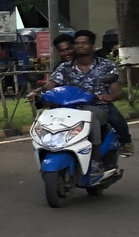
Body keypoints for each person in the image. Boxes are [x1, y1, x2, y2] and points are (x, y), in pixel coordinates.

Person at [40, 29, 130, 163]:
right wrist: (37, 93)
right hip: (69, 109)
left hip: (97, 107)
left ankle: (96, 160)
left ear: (93, 46)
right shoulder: (64, 67)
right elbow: (50, 85)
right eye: (77, 43)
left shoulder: (106, 65)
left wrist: (110, 96)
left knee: (90, 117)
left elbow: (116, 90)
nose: (80, 46)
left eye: (85, 43)